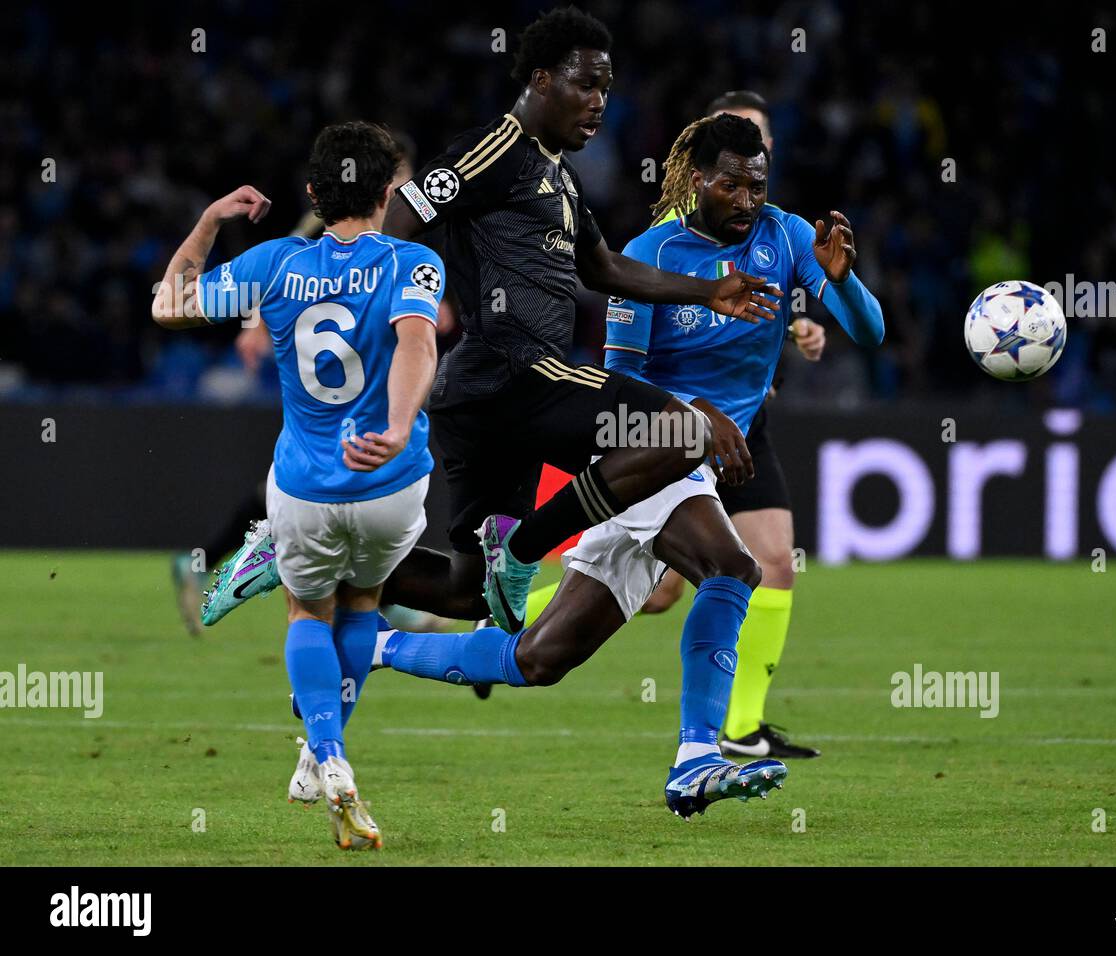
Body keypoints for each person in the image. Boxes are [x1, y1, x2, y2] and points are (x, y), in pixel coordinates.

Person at [200, 7, 781, 638]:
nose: (598, 103)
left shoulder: (558, 175)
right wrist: (400, 312)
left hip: (482, 395)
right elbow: (404, 213)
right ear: (539, 81)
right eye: (584, 85)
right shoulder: (497, 149)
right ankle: (526, 546)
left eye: (606, 90)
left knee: (468, 590)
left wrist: (710, 289)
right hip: (516, 370)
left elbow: (607, 269)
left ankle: (293, 555)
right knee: (678, 432)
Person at [366, 112, 884, 816]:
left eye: (757, 185)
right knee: (732, 569)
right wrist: (690, 423)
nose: (747, 199)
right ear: (697, 180)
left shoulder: (786, 236)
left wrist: (841, 282)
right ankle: (698, 755)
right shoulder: (653, 251)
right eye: (731, 185)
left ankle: (374, 645)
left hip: (716, 445)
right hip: (658, 446)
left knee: (540, 659)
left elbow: (870, 332)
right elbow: (619, 380)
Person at [151, 121, 445, 850]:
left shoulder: (273, 264)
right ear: (389, 192)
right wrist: (401, 426)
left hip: (306, 488)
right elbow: (419, 341)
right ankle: (320, 754)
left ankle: (329, 752)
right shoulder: (414, 261)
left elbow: (169, 303)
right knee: (363, 606)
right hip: (390, 482)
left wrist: (210, 221)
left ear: (313, 193)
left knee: (307, 613)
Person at [640, 90, 826, 759]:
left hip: (747, 427)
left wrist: (799, 324)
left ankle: (741, 727)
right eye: (745, 136)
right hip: (674, 432)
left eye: (765, 138)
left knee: (774, 561)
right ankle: (506, 616)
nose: (758, 147)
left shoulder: (775, 227)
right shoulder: (668, 242)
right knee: (656, 592)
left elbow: (773, 296)